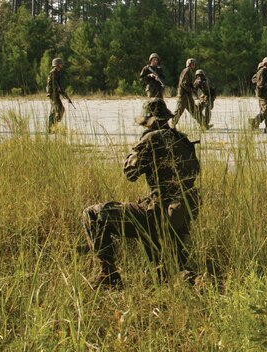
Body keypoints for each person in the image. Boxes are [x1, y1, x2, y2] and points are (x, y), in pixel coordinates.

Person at [82, 99, 201, 288]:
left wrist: (141, 142)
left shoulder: (151, 138)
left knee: (93, 214)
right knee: (168, 271)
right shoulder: (184, 140)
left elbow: (130, 172)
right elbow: (194, 172)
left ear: (150, 120)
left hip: (156, 213)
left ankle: (108, 275)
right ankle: (190, 279)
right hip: (182, 217)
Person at [172, 58, 210, 130]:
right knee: (178, 111)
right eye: (193, 64)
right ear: (189, 64)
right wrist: (191, 89)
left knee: (195, 111)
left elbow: (188, 84)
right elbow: (184, 83)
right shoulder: (186, 71)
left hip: (188, 96)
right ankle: (172, 126)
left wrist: (193, 85)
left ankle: (204, 124)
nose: (194, 66)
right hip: (183, 96)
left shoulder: (189, 72)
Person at [250, 57, 267, 133]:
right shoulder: (262, 71)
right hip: (263, 95)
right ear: (266, 63)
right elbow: (260, 85)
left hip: (266, 95)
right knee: (265, 111)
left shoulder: (265, 71)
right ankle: (254, 122)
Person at [46, 57, 68, 132]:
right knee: (57, 110)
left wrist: (62, 92)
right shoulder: (53, 72)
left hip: (55, 94)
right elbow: (50, 83)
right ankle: (51, 128)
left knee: (57, 110)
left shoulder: (56, 72)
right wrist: (51, 92)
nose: (62, 65)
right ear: (57, 64)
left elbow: (57, 84)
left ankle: (52, 127)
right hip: (53, 94)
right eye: (60, 63)